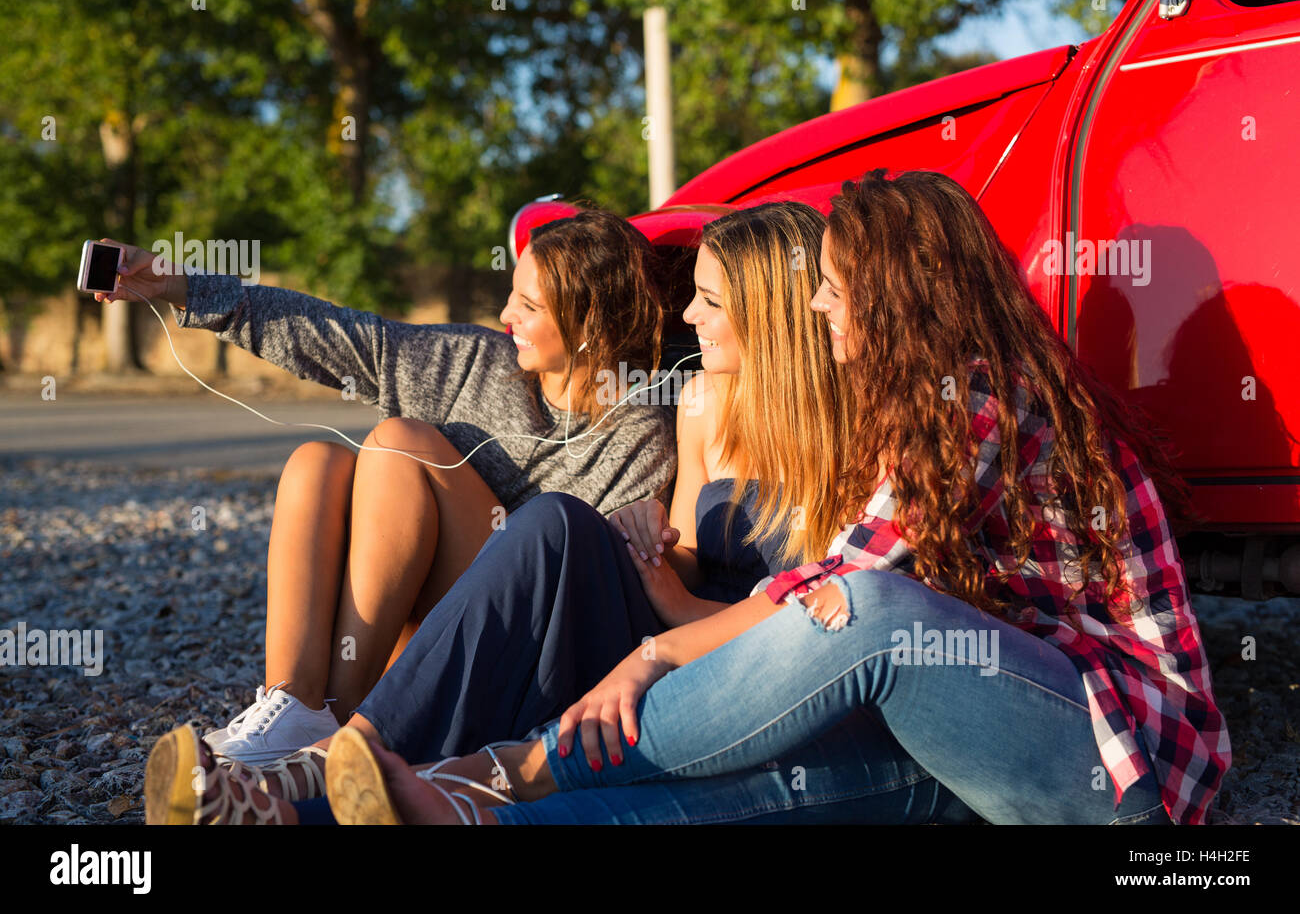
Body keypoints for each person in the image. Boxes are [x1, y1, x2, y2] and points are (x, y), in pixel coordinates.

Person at [316, 169, 1228, 825]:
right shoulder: (927, 402)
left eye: (834, 289)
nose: (821, 306)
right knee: (747, 789)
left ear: (895, 294)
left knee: (867, 611)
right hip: (971, 724)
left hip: (1119, 761)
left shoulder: (981, 400)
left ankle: (506, 770)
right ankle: (414, 806)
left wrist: (652, 654)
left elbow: (842, 588)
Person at [141, 200, 855, 824]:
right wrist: (655, 551)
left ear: (768, 315)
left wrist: (662, 602)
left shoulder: (827, 428)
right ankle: (307, 724)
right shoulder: (703, 402)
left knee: (549, 516)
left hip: (726, 657)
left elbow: (813, 611)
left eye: (709, 302)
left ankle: (320, 766)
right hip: (606, 621)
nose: (688, 315)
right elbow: (340, 336)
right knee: (363, 468)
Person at [96, 210, 677, 765]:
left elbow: (585, 589)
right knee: (316, 462)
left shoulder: (639, 436)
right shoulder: (477, 360)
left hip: (494, 647)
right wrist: (176, 284)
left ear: (589, 325)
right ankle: (292, 701)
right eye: (511, 295)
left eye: (528, 306)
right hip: (403, 627)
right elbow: (338, 337)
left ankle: (343, 727)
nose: (506, 315)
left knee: (400, 443)